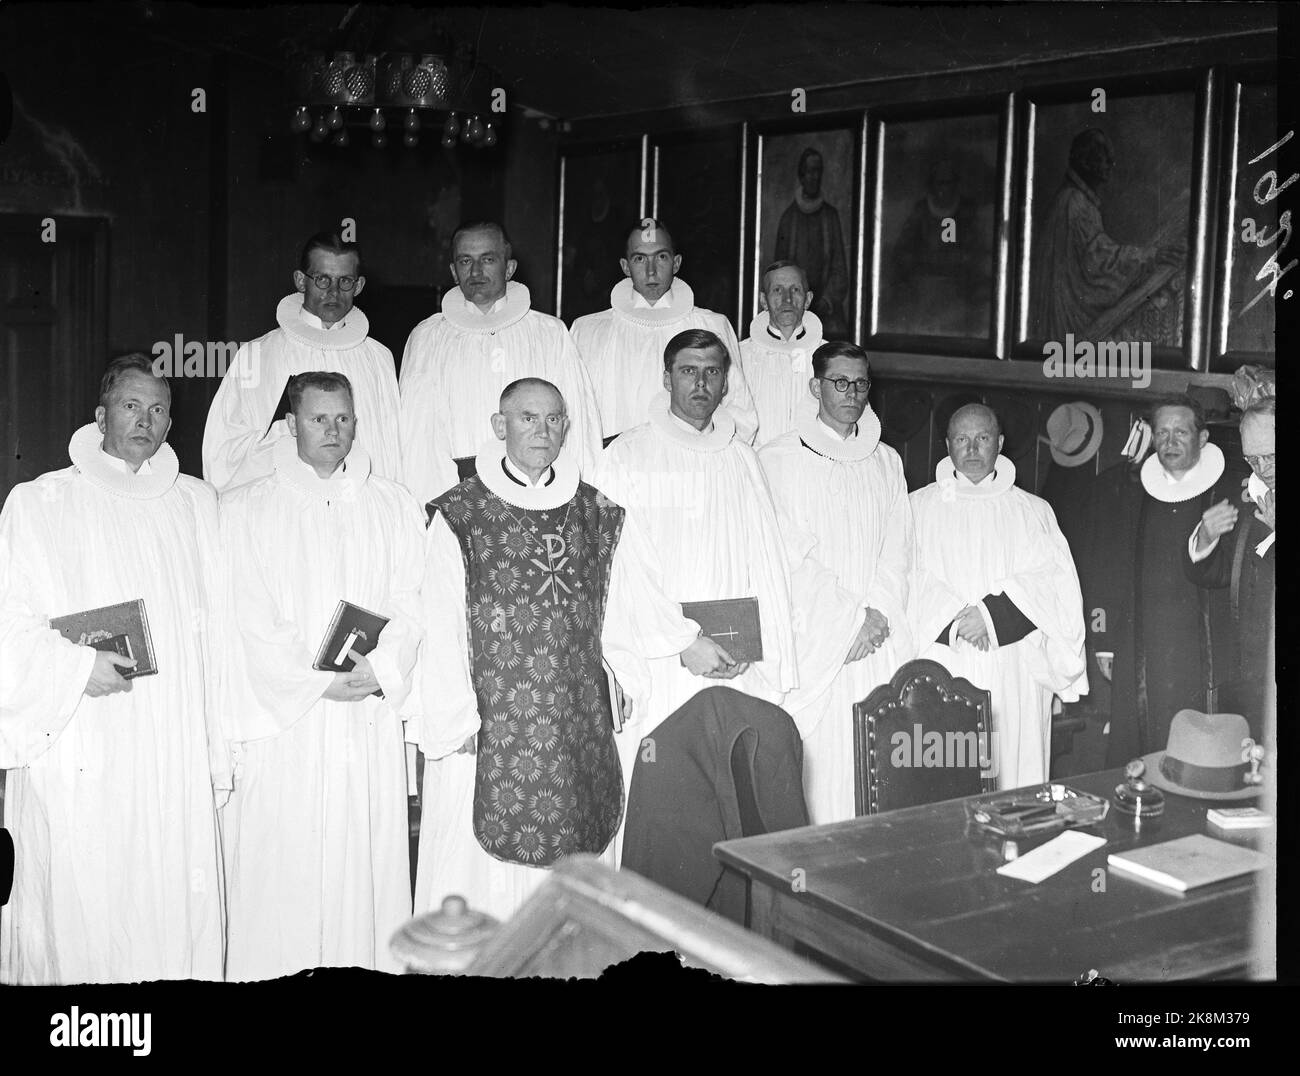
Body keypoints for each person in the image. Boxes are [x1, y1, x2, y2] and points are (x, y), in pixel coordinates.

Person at [410, 378, 701, 921]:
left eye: (552, 420)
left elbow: (621, 605)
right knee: (483, 880)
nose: (541, 431)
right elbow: (441, 617)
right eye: (526, 418)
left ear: (567, 427)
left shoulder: (598, 513)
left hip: (574, 722)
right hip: (490, 722)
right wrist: (455, 715)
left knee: (572, 859)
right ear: (500, 427)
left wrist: (621, 679)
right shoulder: (460, 514)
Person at [0, 355, 225, 984]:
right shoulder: (41, 502)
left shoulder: (195, 505)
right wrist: (74, 671)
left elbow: (219, 627)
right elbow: (7, 624)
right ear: (100, 415)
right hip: (83, 736)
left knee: (164, 895)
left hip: (170, 738)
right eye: (130, 406)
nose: (144, 420)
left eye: (158, 410)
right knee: (87, 898)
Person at [217, 371, 424, 979]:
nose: (333, 431)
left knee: (362, 867)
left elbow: (413, 602)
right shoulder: (248, 507)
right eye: (318, 419)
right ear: (290, 425)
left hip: (364, 712)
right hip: (290, 724)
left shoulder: (394, 504)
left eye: (343, 419)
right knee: (284, 867)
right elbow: (248, 615)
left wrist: (382, 668)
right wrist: (313, 683)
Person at [595, 329, 852, 812]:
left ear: (726, 383)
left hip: (737, 661)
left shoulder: (741, 457)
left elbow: (768, 561)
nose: (701, 383)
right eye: (688, 371)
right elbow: (622, 565)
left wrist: (761, 648)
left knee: (730, 802)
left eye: (712, 372)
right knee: (667, 801)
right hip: (666, 660)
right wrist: (684, 642)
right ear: (666, 378)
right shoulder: (627, 456)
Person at [759, 342, 914, 822]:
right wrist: (846, 622)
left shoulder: (886, 461)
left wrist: (877, 615)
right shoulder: (777, 457)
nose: (851, 393)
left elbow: (899, 546)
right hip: (819, 639)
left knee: (875, 777)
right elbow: (784, 552)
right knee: (820, 783)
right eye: (839, 382)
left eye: (860, 383)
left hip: (877, 640)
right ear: (815, 387)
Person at [910, 403, 1088, 789]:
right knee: (943, 776)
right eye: (962, 438)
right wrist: (956, 620)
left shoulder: (1033, 511)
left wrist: (992, 616)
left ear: (1000, 443)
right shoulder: (916, 508)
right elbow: (905, 575)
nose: (972, 449)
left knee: (1011, 774)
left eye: (983, 438)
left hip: (1012, 666)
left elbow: (1055, 585)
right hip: (942, 658)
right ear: (947, 445)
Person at [1080, 394, 1241, 764]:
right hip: (1139, 644)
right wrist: (1105, 640)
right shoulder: (1132, 489)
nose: (1169, 442)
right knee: (1136, 749)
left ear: (1202, 439)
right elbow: (1109, 564)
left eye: (1181, 432)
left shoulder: (1228, 492)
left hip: (1202, 647)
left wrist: (1206, 541)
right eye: (1162, 432)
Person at [399, 221, 603, 505]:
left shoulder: (549, 333)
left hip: (536, 493)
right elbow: (417, 435)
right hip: (457, 495)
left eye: (488, 259)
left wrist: (571, 499)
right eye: (465, 260)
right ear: (453, 272)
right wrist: (435, 506)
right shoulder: (428, 337)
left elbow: (577, 425)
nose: (476, 271)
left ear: (509, 268)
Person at [203, 231, 403, 491]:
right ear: (300, 280)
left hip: (358, 509)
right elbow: (223, 454)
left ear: (359, 285)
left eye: (345, 281)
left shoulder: (378, 358)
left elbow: (392, 451)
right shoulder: (257, 355)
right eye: (322, 279)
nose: (333, 291)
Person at [570, 218, 757, 441]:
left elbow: (739, 412)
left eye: (661, 257)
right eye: (640, 258)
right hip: (611, 468)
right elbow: (573, 412)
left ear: (676, 263)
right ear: (625, 266)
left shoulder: (712, 325)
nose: (651, 271)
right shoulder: (588, 331)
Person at [1031, 128, 1183, 343]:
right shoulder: (1076, 204)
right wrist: (1151, 256)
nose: (1111, 164)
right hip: (1068, 325)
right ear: (1085, 161)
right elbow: (1099, 261)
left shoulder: (1072, 200)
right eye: (1103, 157)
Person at [1185, 397, 1275, 732]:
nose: (1262, 468)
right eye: (1253, 458)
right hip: (1249, 673)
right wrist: (1206, 538)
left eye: (1271, 456)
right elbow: (1222, 573)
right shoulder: (1248, 493)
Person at [742, 261, 826, 446]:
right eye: (777, 290)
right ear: (763, 300)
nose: (787, 299)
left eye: (795, 289)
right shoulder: (740, 356)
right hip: (757, 466)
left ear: (808, 299)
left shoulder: (829, 357)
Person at [774, 148, 850, 338]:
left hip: (827, 312)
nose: (814, 177)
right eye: (810, 171)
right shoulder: (788, 219)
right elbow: (777, 274)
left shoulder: (830, 217)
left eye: (818, 171)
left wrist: (826, 301)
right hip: (794, 312)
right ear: (801, 175)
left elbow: (840, 269)